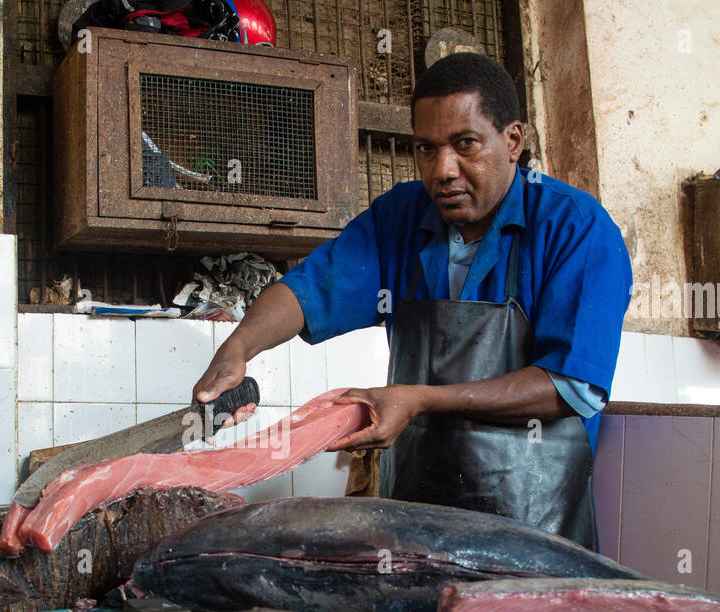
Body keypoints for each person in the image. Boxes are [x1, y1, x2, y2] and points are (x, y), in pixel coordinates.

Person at [191, 52, 631, 549]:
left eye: (465, 144)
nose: (443, 170)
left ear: (513, 141)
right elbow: (307, 290)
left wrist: (419, 399)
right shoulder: (400, 217)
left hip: (535, 530)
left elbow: (571, 387)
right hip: (415, 520)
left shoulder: (576, 227)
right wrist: (239, 347)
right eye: (426, 148)